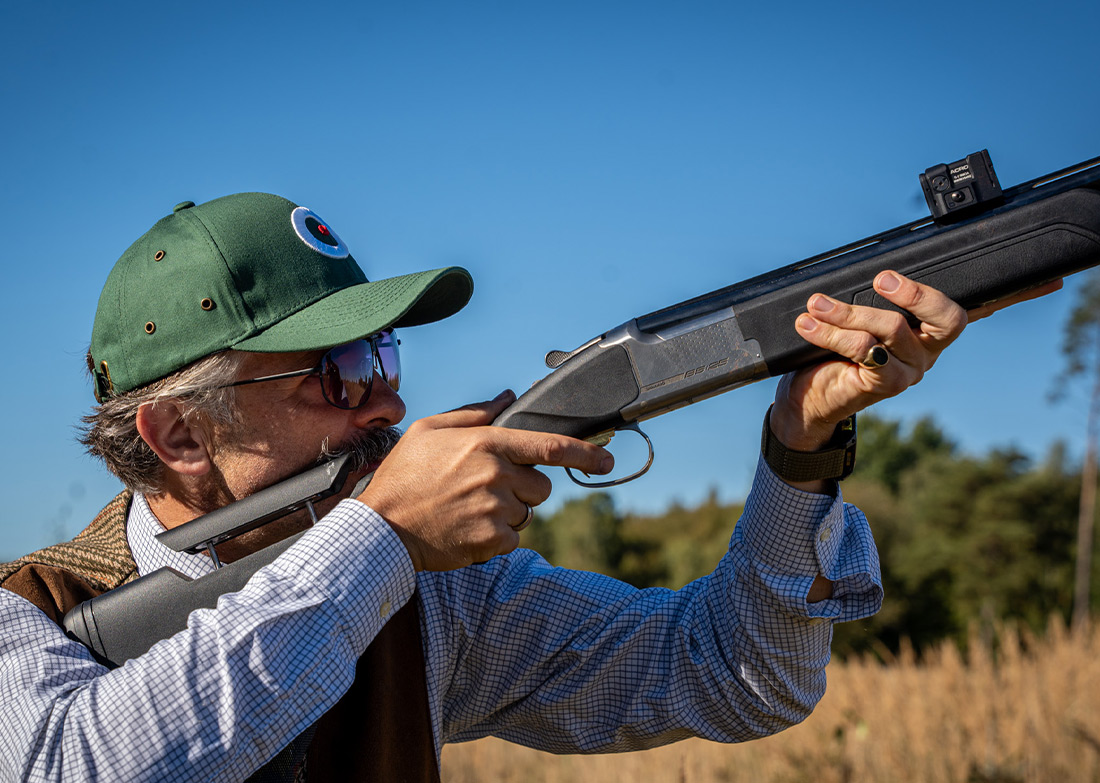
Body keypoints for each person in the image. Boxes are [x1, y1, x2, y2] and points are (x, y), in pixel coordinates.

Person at [0, 193, 1055, 781]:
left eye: (385, 362)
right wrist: (378, 535)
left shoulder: (435, 598)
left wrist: (799, 447)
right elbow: (75, 768)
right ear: (179, 432)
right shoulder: (27, 617)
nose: (383, 408)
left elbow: (737, 677)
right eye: (339, 375)